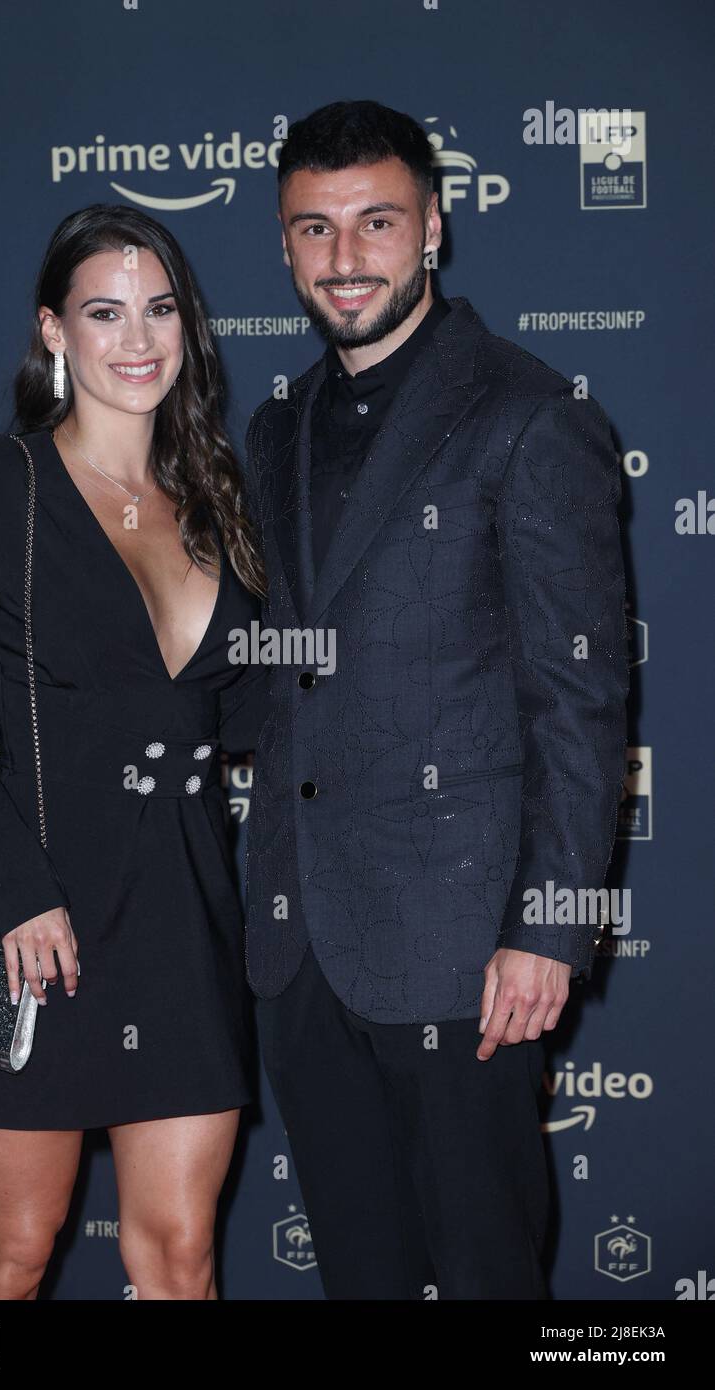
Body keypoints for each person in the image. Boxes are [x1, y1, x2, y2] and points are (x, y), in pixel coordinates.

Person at [242, 101, 629, 1299]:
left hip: (467, 952)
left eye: (373, 223)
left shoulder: (525, 413)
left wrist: (546, 929)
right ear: (284, 244)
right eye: (314, 228)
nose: (343, 258)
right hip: (301, 945)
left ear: (433, 230)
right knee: (359, 1273)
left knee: (482, 1274)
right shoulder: (272, 427)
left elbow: (580, 699)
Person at [0, 204, 265, 1301]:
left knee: (180, 1257)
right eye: (105, 312)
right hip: (23, 930)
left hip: (187, 927)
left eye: (159, 309)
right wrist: (15, 893)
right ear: (54, 330)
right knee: (7, 1258)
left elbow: (242, 718)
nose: (136, 337)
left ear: (187, 328)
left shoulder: (219, 503)